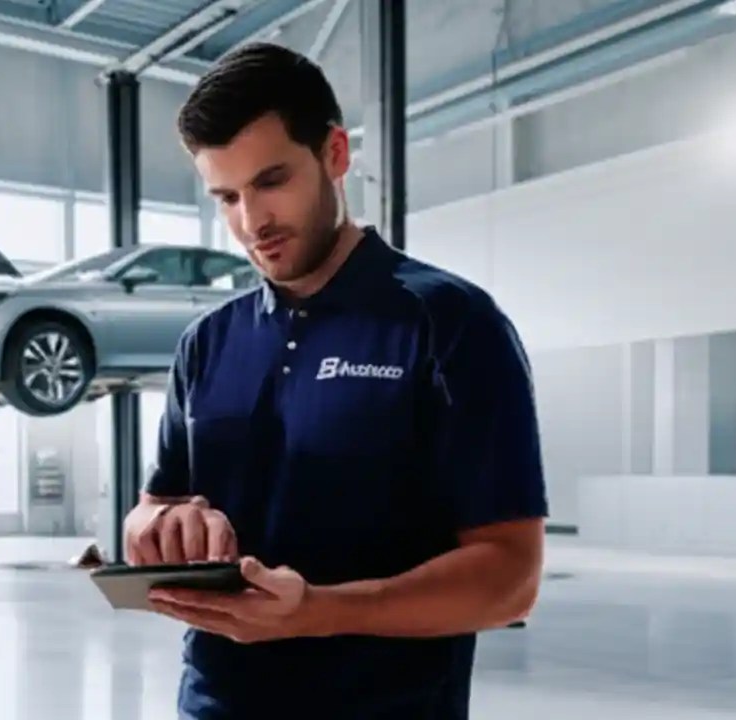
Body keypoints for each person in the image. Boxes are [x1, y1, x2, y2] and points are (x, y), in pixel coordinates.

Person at [122, 43, 549, 719]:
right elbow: (153, 507)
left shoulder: (450, 323)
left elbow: (510, 576)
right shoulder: (206, 343)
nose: (251, 222)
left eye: (271, 181)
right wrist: (161, 526)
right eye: (227, 197)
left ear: (335, 154)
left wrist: (318, 612)